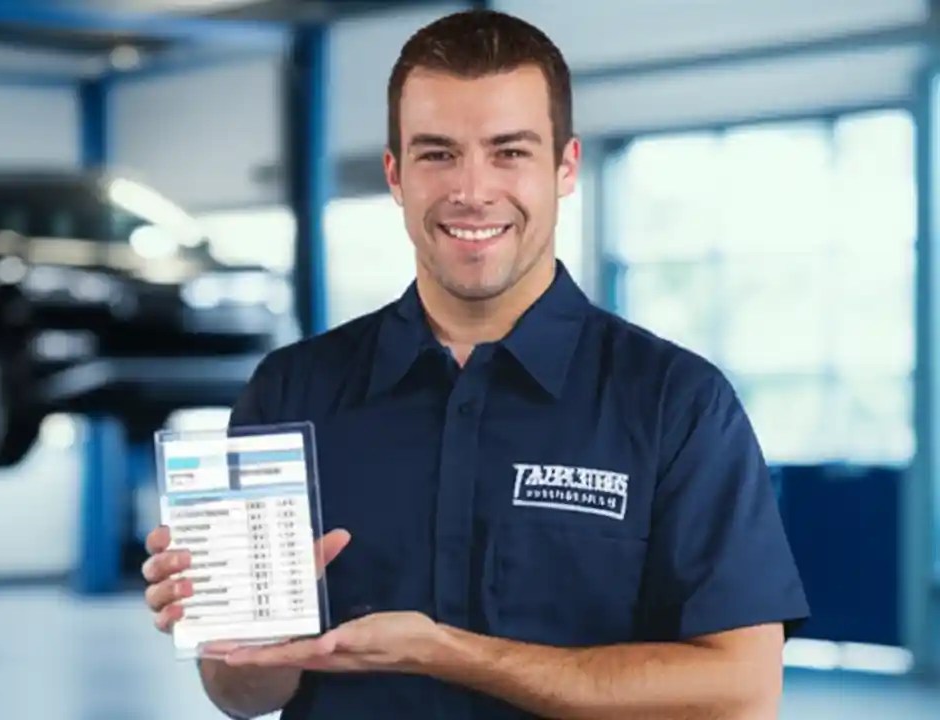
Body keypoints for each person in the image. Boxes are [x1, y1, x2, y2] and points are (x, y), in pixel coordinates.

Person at [143, 8, 809, 719]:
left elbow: (740, 690)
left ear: (566, 168)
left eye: (509, 152)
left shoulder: (676, 403)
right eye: (437, 154)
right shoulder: (293, 389)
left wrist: (450, 654)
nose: (471, 189)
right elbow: (240, 693)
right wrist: (244, 637)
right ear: (396, 175)